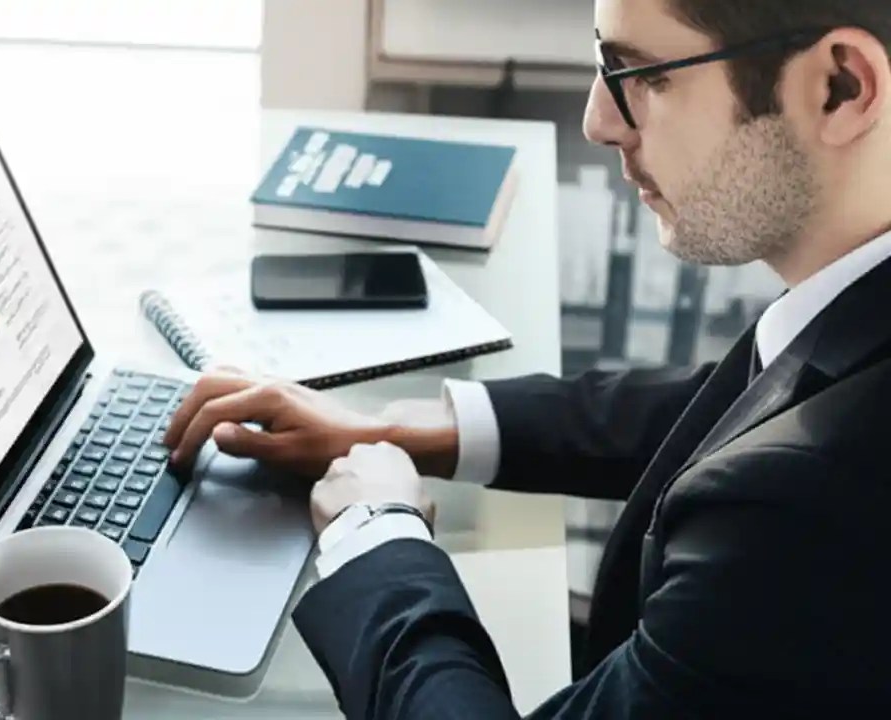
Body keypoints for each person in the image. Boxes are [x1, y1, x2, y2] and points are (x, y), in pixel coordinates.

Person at [163, 0, 891, 716]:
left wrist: (374, 534)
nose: (598, 122)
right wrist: (401, 429)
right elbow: (733, 409)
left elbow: (773, 473)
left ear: (841, 87)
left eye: (643, 75)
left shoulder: (806, 510)